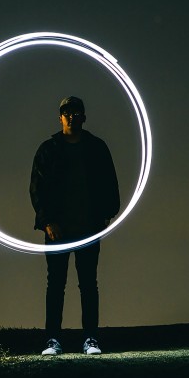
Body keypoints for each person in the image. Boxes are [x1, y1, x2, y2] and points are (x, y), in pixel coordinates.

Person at [29, 96, 120, 355]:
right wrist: (46, 221)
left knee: (88, 283)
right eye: (66, 113)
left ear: (83, 117)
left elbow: (109, 183)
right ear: (60, 117)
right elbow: (37, 188)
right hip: (57, 229)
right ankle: (52, 340)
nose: (71, 117)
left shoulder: (96, 148)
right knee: (56, 284)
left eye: (75, 112)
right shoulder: (49, 149)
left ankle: (90, 339)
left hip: (88, 227)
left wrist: (106, 215)